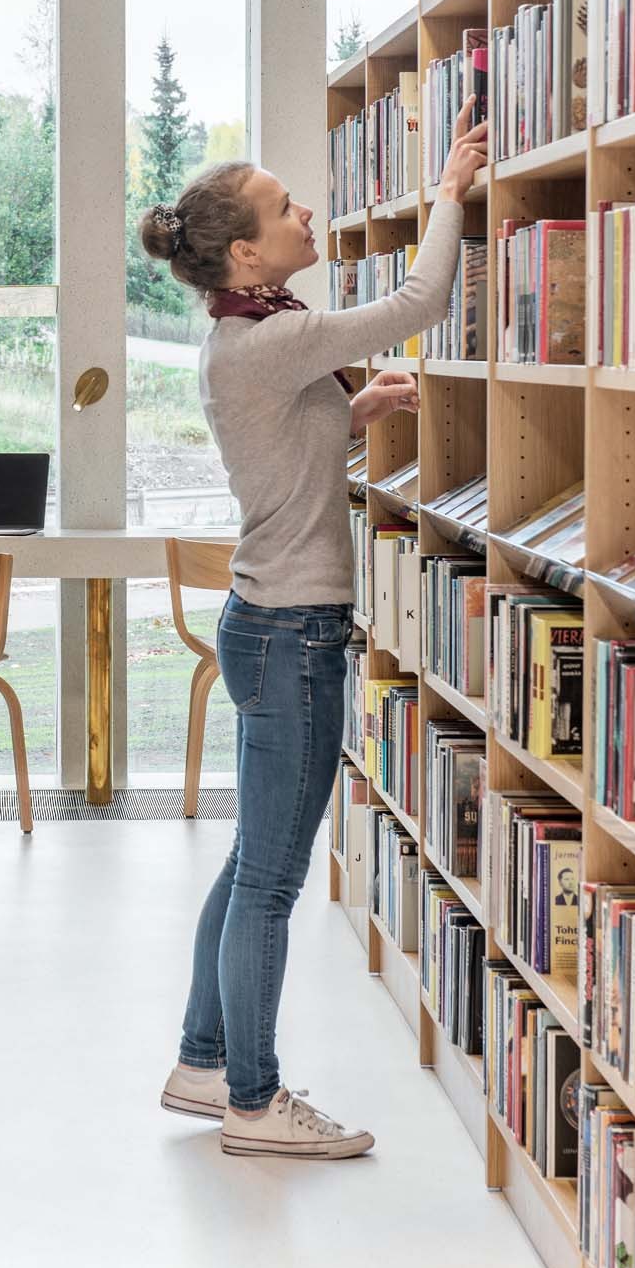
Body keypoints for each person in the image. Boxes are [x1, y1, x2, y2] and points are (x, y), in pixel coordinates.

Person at [140, 98, 487, 1159]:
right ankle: (255, 1100)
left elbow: (293, 447)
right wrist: (448, 194)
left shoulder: (252, 336)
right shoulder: (277, 336)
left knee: (254, 860)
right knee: (274, 881)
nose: (307, 213)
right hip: (291, 635)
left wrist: (357, 413)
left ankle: (204, 1061)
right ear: (245, 251)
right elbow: (421, 295)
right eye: (286, 207)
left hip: (267, 620)